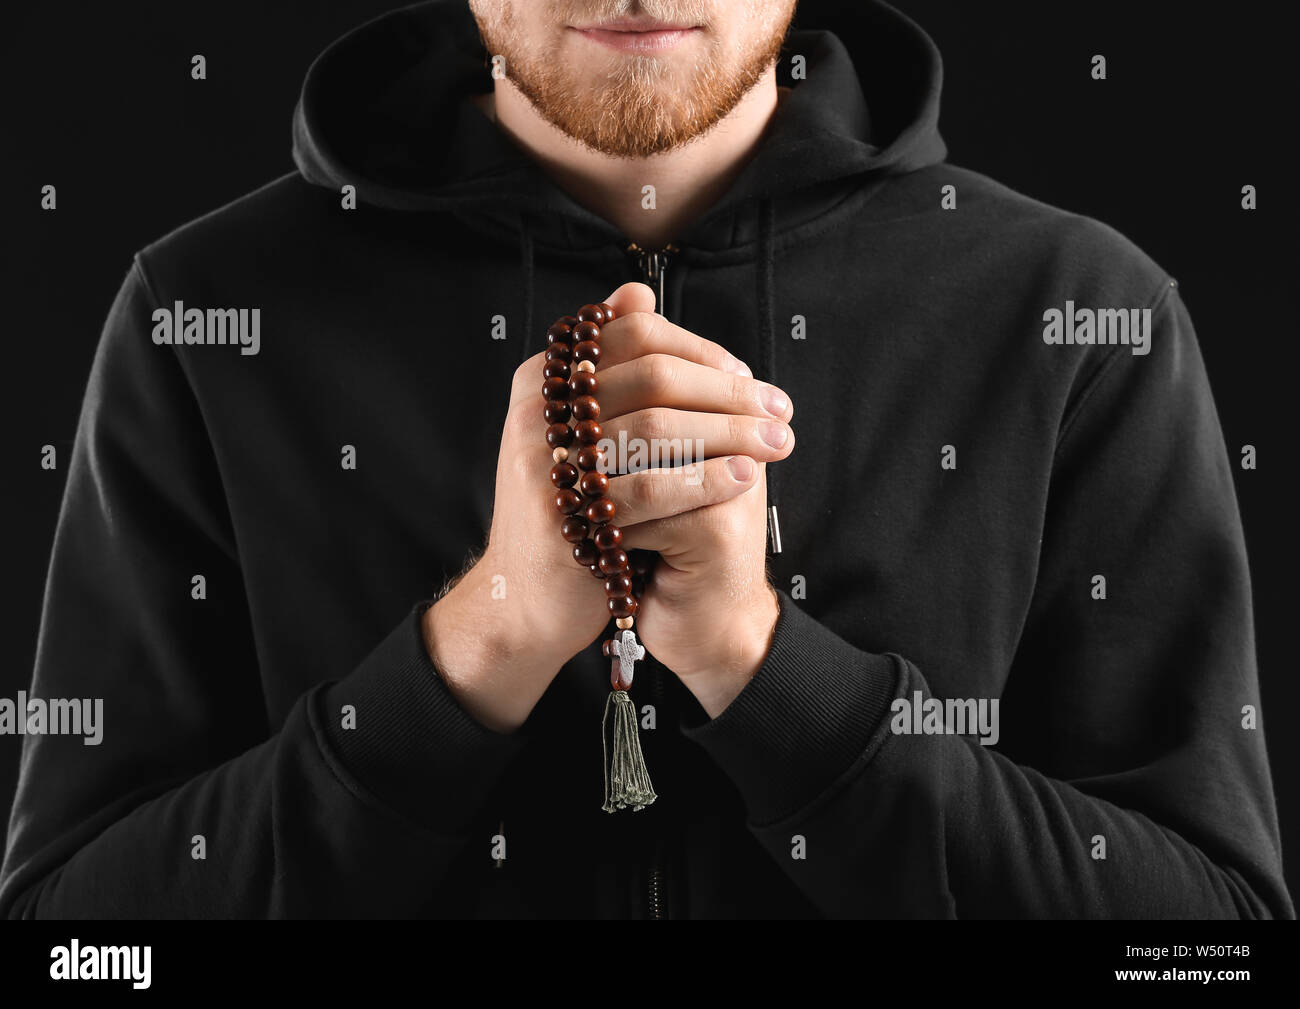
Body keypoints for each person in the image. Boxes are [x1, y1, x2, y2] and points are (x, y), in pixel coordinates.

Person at [1, 0, 1291, 919]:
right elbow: (83, 952)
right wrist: (478, 649)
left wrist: (761, 666)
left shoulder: (1080, 314)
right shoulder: (206, 307)